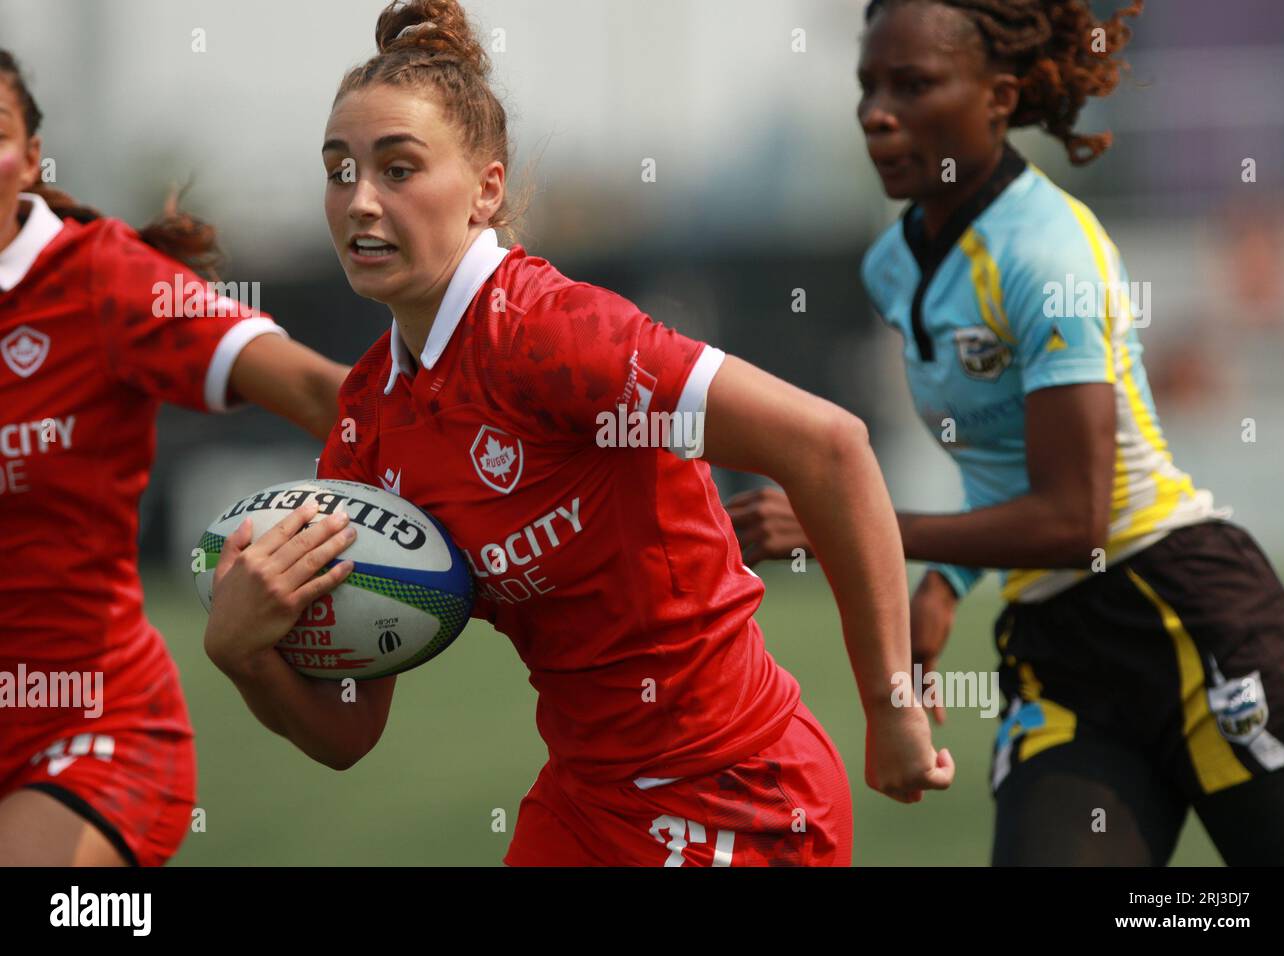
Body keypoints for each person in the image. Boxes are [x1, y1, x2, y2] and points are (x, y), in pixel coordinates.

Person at [201, 0, 954, 867]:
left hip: (738, 790)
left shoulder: (555, 337)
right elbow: (349, 733)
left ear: (487, 189)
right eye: (339, 171)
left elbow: (830, 445)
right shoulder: (369, 424)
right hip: (587, 801)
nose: (360, 202)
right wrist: (243, 650)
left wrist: (892, 704)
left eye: (398, 169)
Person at [727, 0, 1284, 865]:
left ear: (997, 99)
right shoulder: (895, 264)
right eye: (869, 86)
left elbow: (1076, 521)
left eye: (913, 85)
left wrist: (851, 526)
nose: (876, 112)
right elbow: (997, 456)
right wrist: (945, 583)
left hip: (1185, 614)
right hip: (1056, 650)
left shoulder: (1047, 252)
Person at [0, 49, 349, 866]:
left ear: (31, 160)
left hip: (88, 730)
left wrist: (504, 443)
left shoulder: (99, 279)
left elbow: (313, 391)